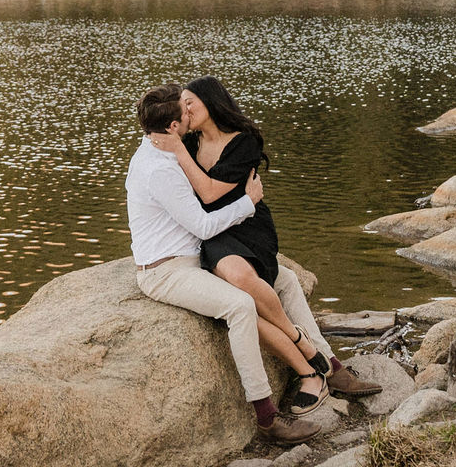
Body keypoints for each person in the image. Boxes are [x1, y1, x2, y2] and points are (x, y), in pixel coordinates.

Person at [149, 76, 381, 416]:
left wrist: (179, 151)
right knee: (243, 278)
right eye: (181, 105)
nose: (184, 111)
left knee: (275, 279)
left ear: (211, 102)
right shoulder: (191, 141)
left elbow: (211, 192)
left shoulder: (244, 142)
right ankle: (314, 354)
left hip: (249, 227)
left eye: (189, 102)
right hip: (215, 233)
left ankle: (325, 363)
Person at [125, 86, 324, 445]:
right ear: (173, 126)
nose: (191, 114)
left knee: (283, 278)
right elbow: (202, 224)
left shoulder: (166, 151)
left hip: (192, 259)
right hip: (167, 271)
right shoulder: (160, 170)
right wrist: (249, 201)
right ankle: (267, 419)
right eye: (185, 112)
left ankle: (324, 364)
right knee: (240, 306)